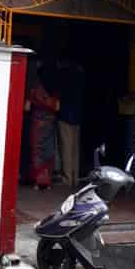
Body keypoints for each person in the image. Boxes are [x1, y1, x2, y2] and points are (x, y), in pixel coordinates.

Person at [26, 61, 62, 190]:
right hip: (50, 123)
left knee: (37, 151)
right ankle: (47, 182)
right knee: (49, 151)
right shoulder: (55, 90)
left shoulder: (35, 90)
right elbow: (57, 107)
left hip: (37, 123)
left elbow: (27, 107)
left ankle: (36, 181)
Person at [55, 58, 85, 190]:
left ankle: (67, 179)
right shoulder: (80, 75)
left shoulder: (64, 75)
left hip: (66, 115)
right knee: (75, 148)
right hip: (77, 115)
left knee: (66, 147)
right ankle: (75, 178)